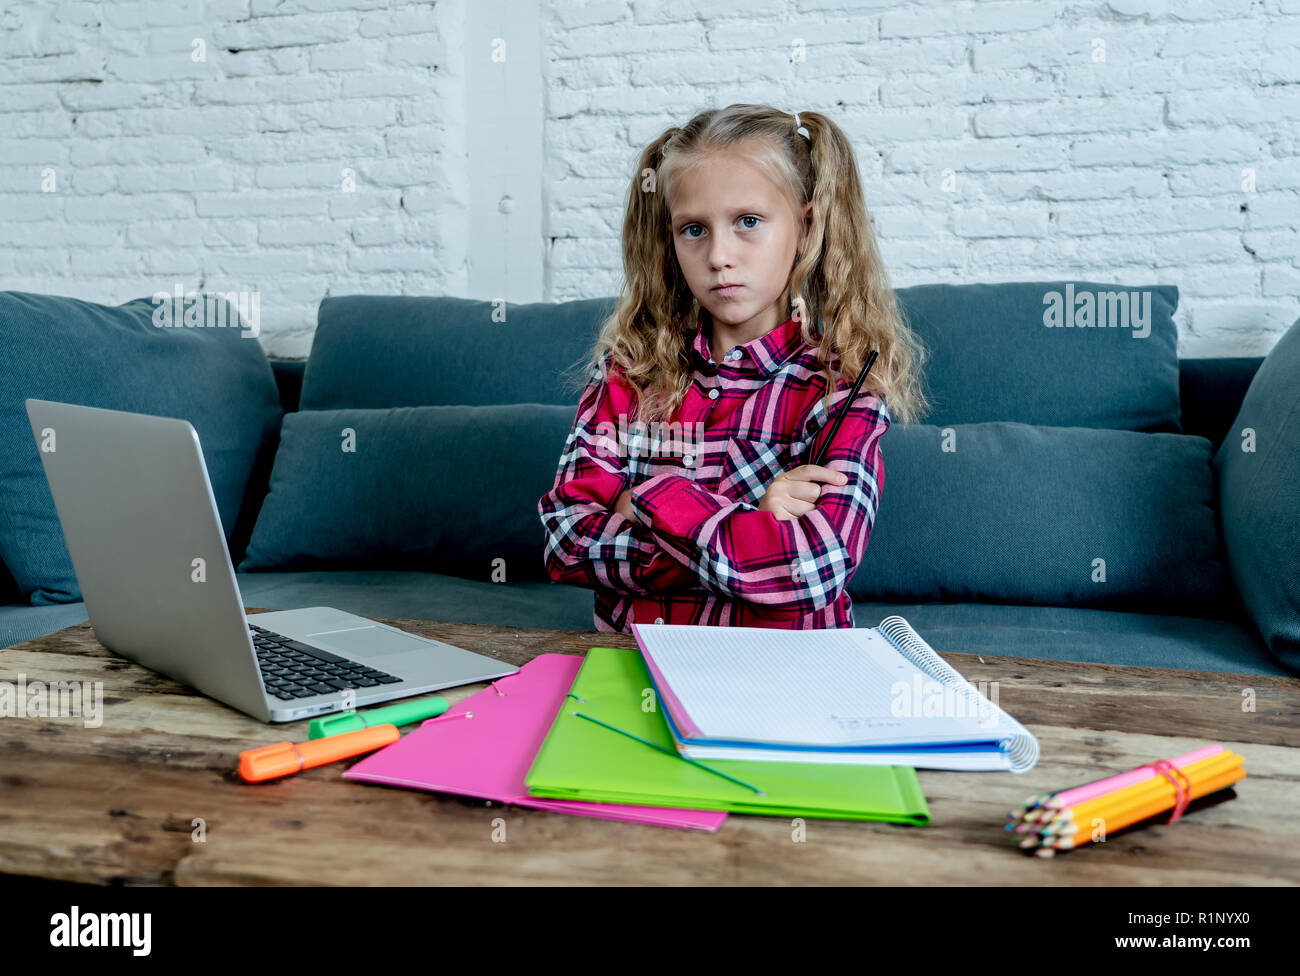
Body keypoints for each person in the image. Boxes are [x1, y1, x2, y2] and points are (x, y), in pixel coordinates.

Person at [538, 103, 928, 632]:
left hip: (782, 668)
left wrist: (645, 500)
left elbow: (809, 570)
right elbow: (565, 542)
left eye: (748, 222)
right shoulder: (630, 371)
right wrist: (749, 519)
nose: (719, 255)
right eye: (693, 229)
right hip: (635, 660)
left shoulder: (841, 385)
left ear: (806, 226)